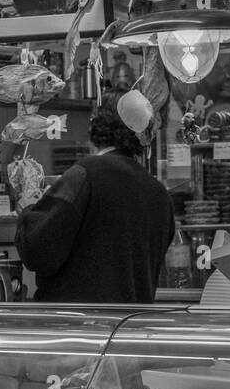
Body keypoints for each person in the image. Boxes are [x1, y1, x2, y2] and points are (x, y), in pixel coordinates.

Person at [15, 91, 174, 303]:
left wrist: (28, 211)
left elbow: (38, 252)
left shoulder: (83, 175)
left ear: (97, 124)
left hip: (79, 326)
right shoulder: (159, 193)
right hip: (131, 325)